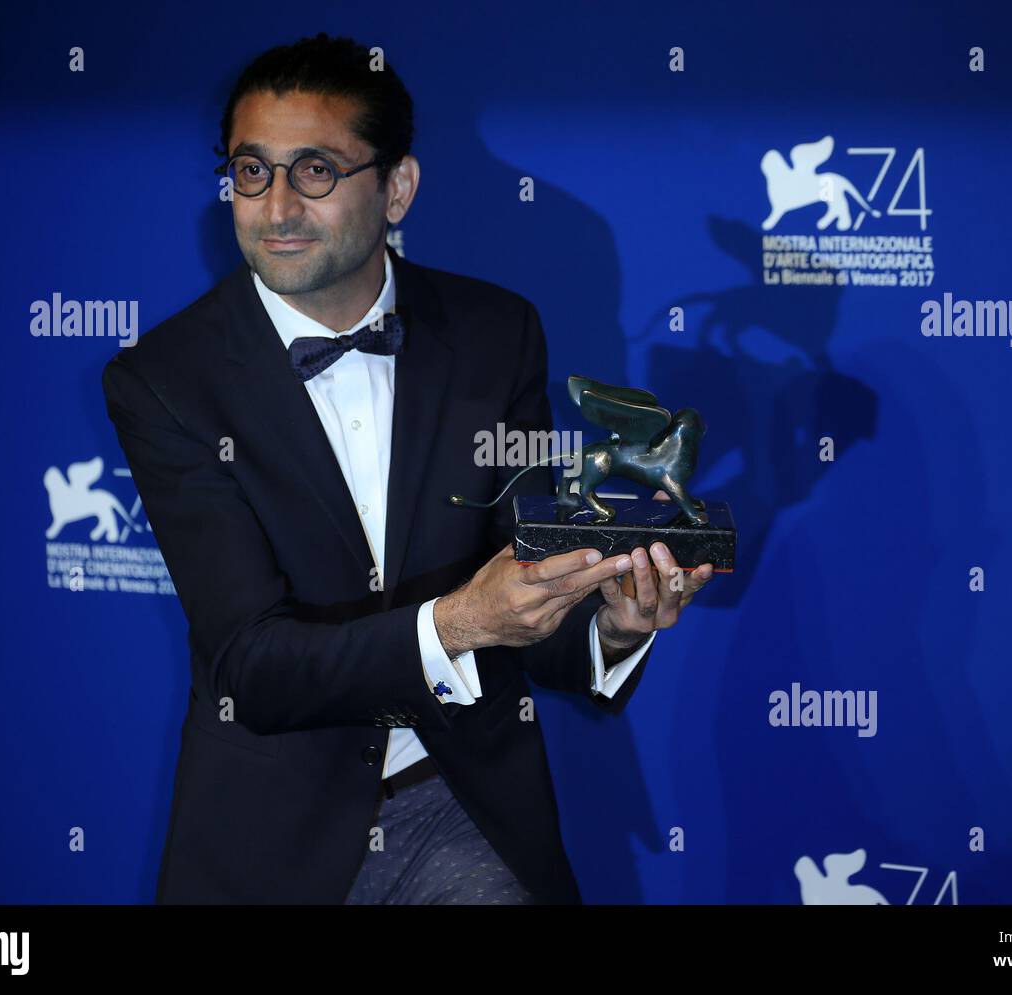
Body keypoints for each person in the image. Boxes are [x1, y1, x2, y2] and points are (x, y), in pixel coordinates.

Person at [101, 32, 713, 905]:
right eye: (250, 170)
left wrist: (612, 628)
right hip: (272, 829)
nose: (275, 207)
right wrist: (458, 623)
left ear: (398, 189)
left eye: (315, 171)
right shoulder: (164, 381)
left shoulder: (497, 335)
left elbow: (529, 585)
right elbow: (253, 665)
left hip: (460, 797)